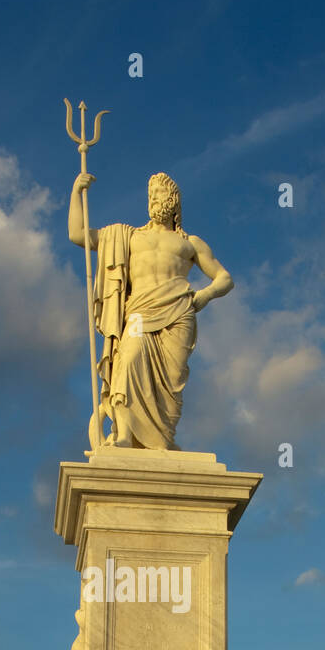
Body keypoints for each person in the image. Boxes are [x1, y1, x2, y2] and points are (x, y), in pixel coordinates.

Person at [68, 170, 233, 449]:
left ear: (172, 198)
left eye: (158, 192)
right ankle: (124, 436)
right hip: (139, 313)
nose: (153, 198)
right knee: (128, 362)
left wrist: (204, 296)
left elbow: (225, 279)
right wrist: (76, 193)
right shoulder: (127, 237)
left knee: (171, 382)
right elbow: (78, 235)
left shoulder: (190, 243)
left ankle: (163, 440)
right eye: (150, 193)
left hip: (179, 314)